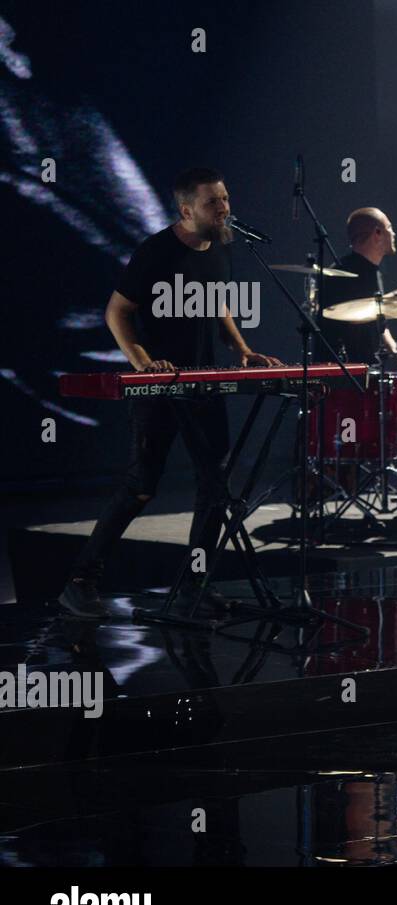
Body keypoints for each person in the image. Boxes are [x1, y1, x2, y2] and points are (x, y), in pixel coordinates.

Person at [58, 167, 283, 618]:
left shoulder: (220, 248)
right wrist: (143, 364)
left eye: (224, 199)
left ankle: (192, 586)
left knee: (215, 484)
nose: (223, 209)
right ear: (185, 210)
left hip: (202, 382)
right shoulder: (156, 252)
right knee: (142, 485)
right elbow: (116, 313)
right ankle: (80, 580)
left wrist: (242, 349)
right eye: (212, 203)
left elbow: (215, 300)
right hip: (158, 387)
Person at [317, 207, 397, 365]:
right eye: (389, 228)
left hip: (368, 368)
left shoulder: (374, 272)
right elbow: (356, 313)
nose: (394, 233)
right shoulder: (342, 273)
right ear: (377, 234)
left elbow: (380, 324)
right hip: (343, 372)